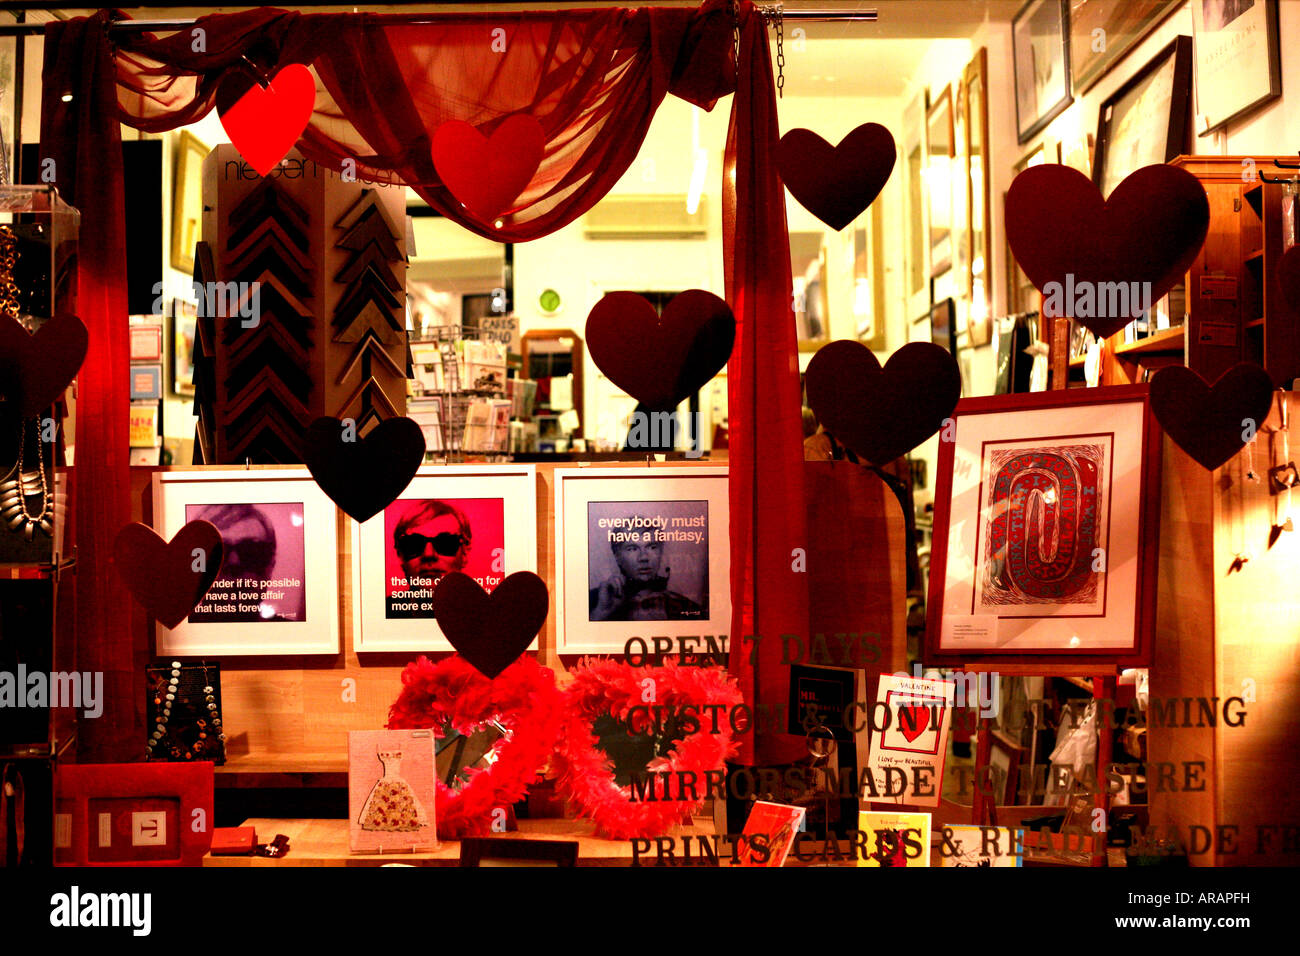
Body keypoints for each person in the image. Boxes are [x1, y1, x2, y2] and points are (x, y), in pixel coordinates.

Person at [589, 518, 702, 621]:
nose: (643, 557)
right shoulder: (594, 601)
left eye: (652, 547)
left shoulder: (686, 607)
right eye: (632, 549)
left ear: (661, 552)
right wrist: (601, 612)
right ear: (617, 556)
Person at [392, 500, 471, 588]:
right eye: (413, 544)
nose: (428, 555)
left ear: (464, 553)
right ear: (400, 555)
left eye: (445, 543)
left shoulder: (484, 602)